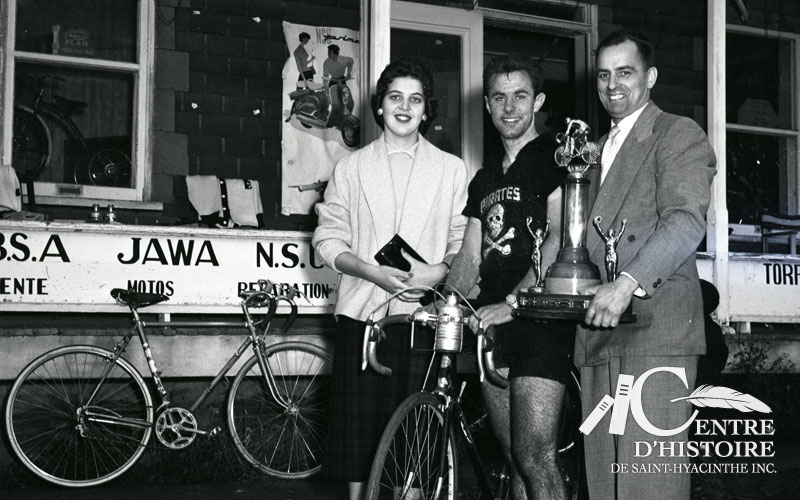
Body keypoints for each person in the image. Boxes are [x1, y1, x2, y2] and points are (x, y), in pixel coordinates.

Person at [312, 58, 468, 500]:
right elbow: (327, 240)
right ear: (379, 107)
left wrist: (439, 272)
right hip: (363, 317)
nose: (404, 107)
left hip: (423, 319)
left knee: (414, 446)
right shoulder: (352, 168)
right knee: (359, 445)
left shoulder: (451, 169)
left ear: (426, 109)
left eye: (415, 99)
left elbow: (463, 239)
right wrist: (370, 271)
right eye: (395, 97)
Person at [576, 30, 717, 500]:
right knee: (604, 484)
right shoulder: (590, 153)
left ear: (650, 77)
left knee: (649, 485)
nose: (612, 84)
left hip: (655, 330)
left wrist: (625, 284)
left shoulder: (677, 134)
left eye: (625, 72)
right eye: (603, 75)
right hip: (598, 332)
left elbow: (684, 222)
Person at [443, 54, 573, 500]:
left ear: (537, 101)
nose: (510, 107)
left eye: (520, 96)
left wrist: (514, 302)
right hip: (490, 326)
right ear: (487, 104)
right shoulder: (483, 178)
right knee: (514, 460)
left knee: (536, 456)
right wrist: (444, 303)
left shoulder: (555, 158)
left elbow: (559, 238)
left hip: (539, 318)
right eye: (499, 97)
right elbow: (468, 257)